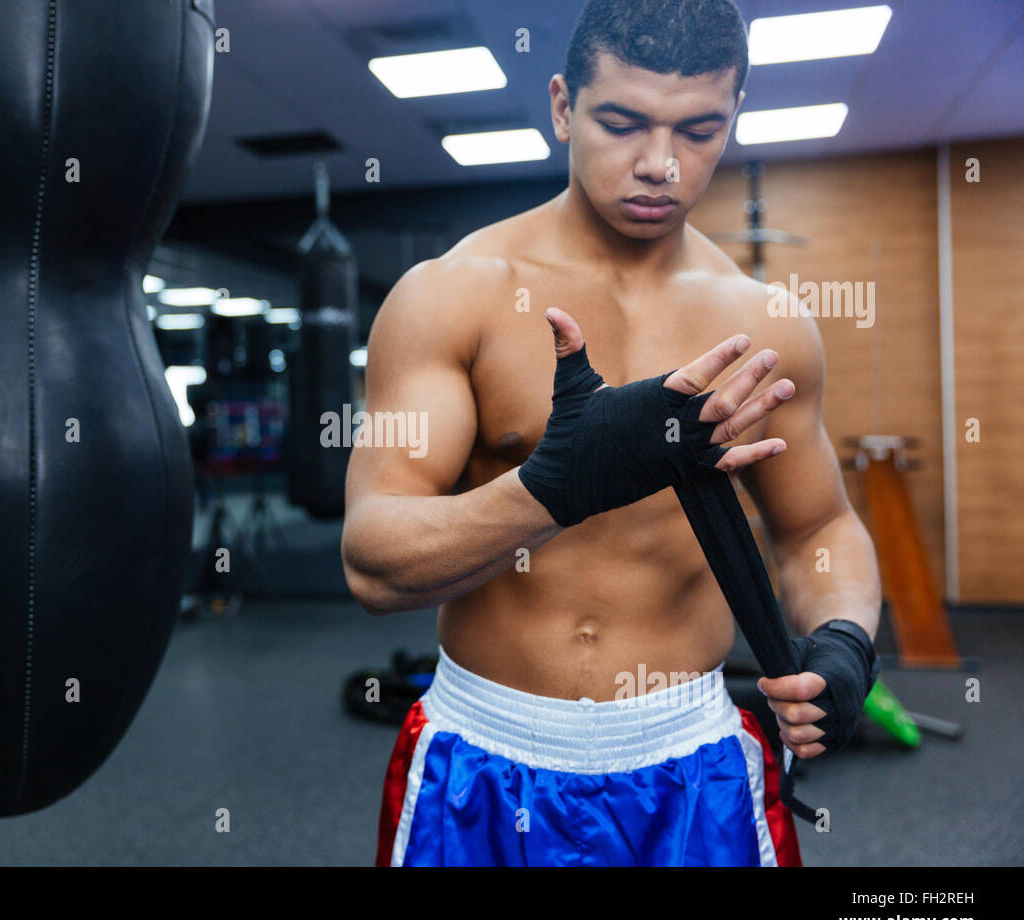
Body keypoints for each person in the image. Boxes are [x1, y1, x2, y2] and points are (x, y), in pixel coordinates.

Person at [342, 0, 881, 866]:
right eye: (623, 123)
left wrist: (846, 639)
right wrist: (555, 487)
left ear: (732, 117)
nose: (660, 165)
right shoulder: (453, 295)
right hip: (481, 758)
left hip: (690, 766)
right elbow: (373, 559)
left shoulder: (765, 324)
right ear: (562, 107)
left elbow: (818, 528)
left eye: (699, 130)